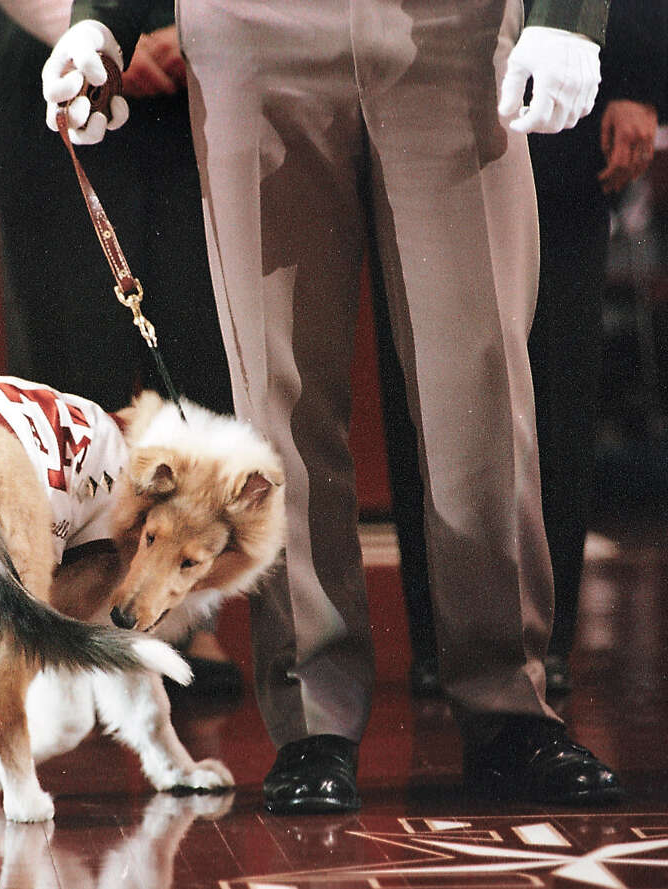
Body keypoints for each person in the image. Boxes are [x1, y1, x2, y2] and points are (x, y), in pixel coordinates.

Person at [42, 0, 623, 810]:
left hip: (451, 30)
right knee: (275, 397)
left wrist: (570, 14)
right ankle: (312, 713)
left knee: (481, 388)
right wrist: (104, 15)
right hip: (251, 30)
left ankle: (507, 704)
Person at [375, 0, 667, 699]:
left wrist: (635, 82)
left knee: (555, 379)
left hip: (566, 100)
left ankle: (547, 634)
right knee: (419, 372)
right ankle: (436, 637)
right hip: (420, 74)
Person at [0, 0, 241, 695]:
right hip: (61, 80)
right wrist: (101, 39)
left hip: (206, 81)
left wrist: (195, 34)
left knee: (202, 369)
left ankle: (190, 623)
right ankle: (67, 622)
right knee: (69, 378)